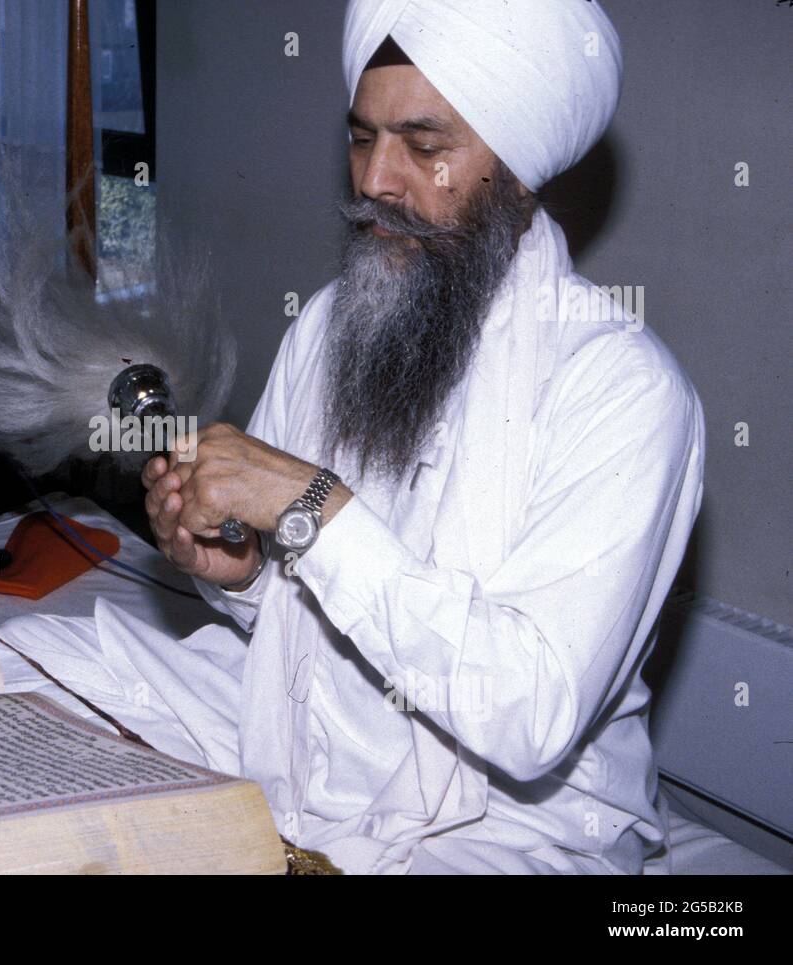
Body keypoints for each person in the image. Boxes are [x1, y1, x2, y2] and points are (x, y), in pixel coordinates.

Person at [136, 0, 705, 874]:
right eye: (363, 138)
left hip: (519, 829)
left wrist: (310, 506)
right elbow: (306, 624)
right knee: (26, 686)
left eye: (424, 147)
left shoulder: (624, 391)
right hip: (314, 752)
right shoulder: (329, 326)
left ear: (517, 168)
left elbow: (528, 715)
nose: (373, 180)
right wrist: (243, 573)